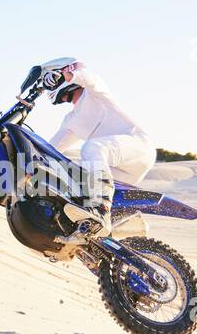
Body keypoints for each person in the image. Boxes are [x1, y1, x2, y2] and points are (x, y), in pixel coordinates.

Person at [39, 57, 155, 236]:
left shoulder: (94, 93)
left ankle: (100, 210)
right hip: (116, 169)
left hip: (138, 148)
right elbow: (49, 151)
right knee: (70, 171)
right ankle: (114, 227)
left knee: (91, 148)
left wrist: (69, 75)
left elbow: (88, 78)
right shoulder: (71, 120)